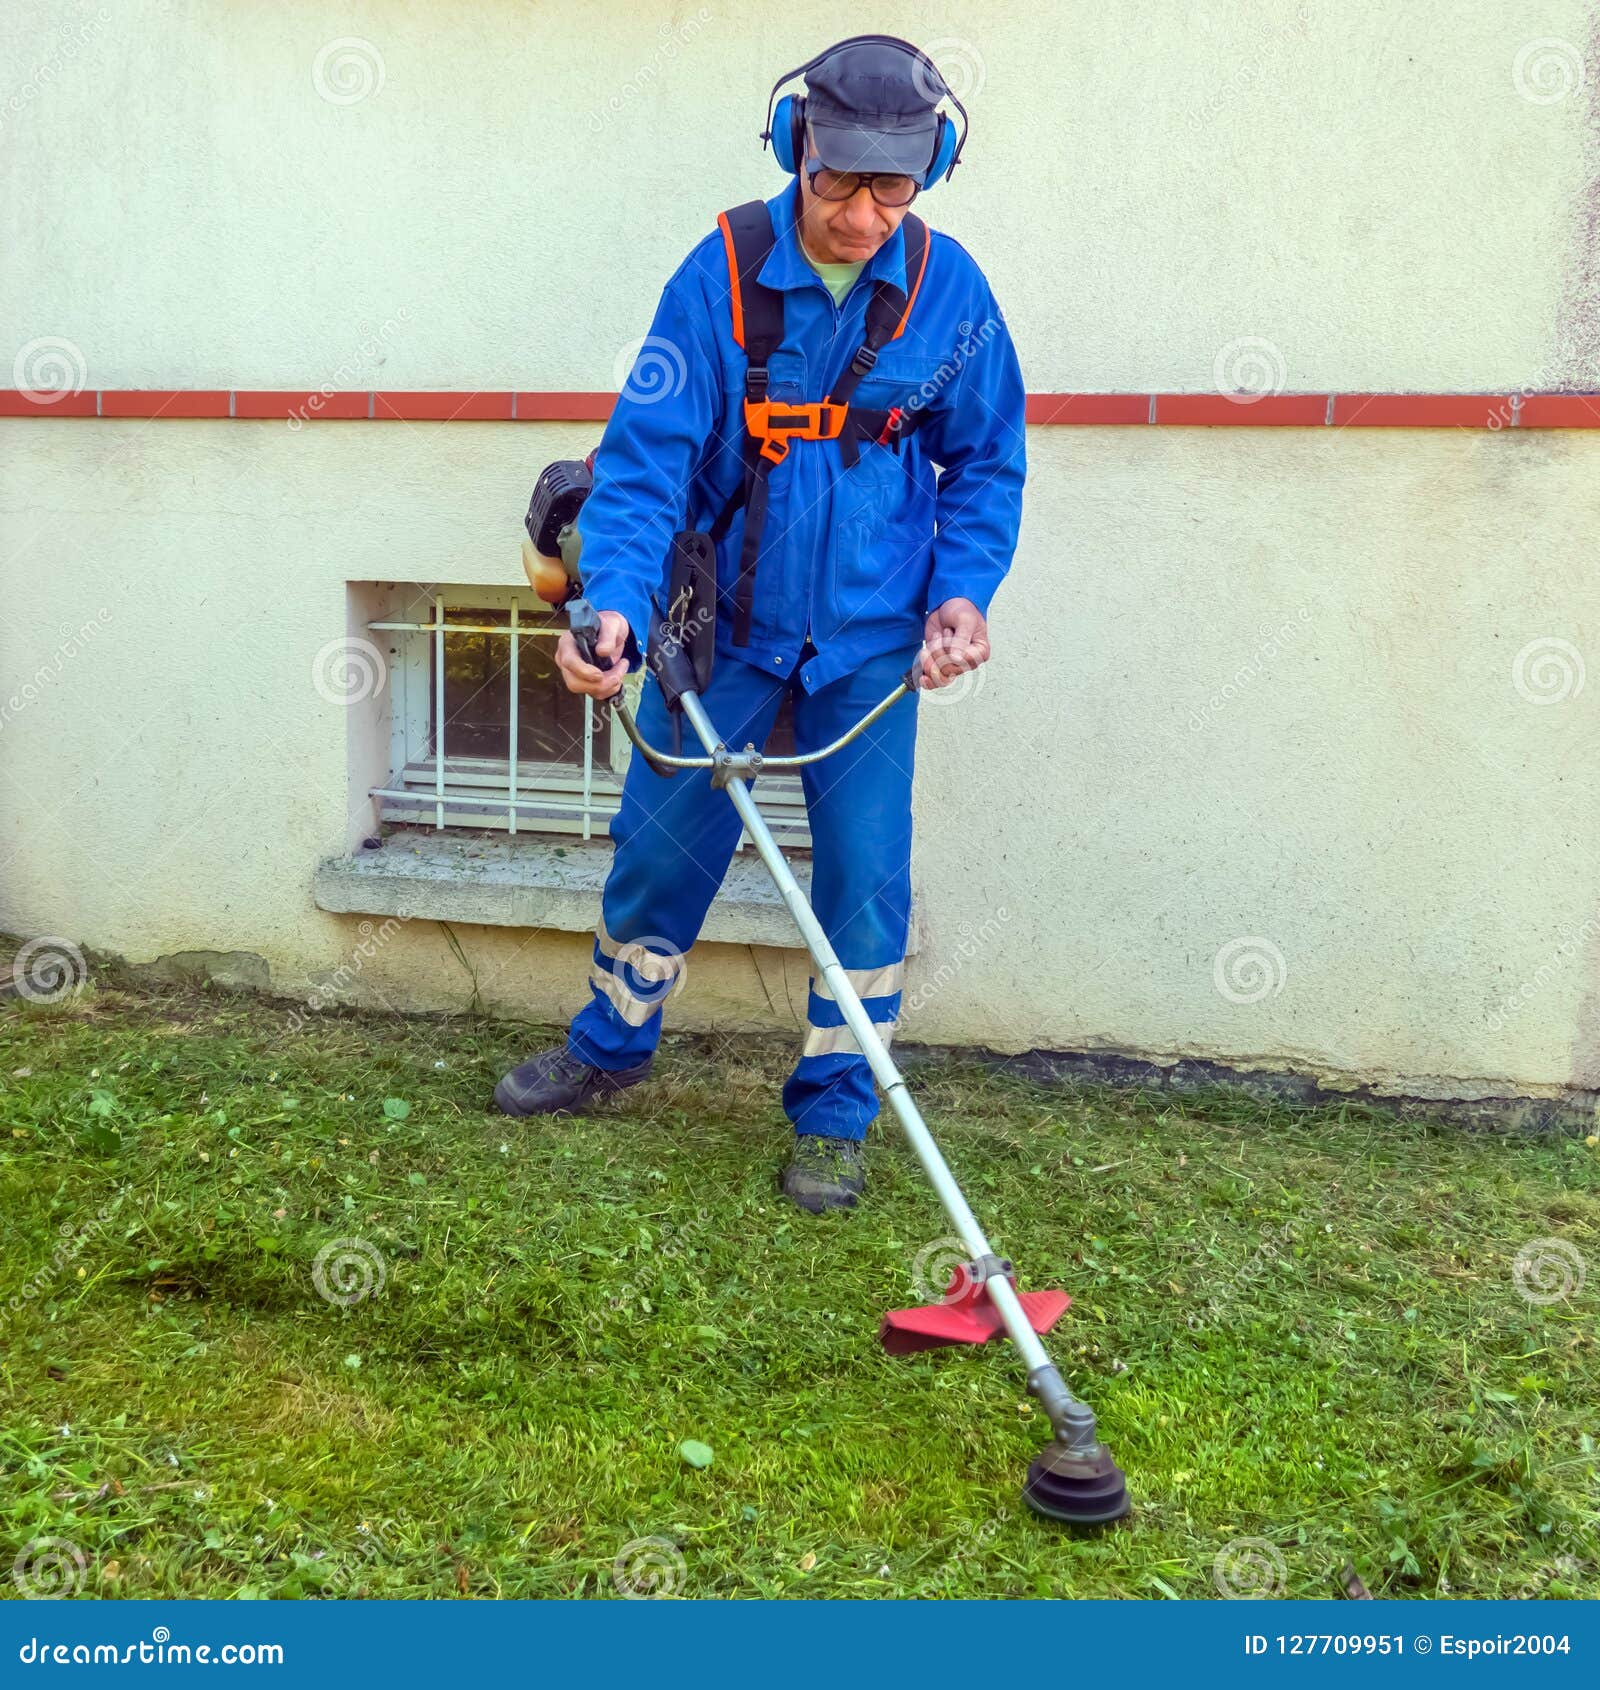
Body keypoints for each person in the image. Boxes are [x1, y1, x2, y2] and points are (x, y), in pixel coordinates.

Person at [494, 35, 1026, 1214]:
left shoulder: (955, 294)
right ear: (797, 149)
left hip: (871, 637)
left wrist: (961, 594)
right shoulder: (720, 273)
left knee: (863, 885)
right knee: (657, 849)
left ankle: (837, 1110)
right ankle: (611, 1042)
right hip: (721, 626)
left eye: (895, 185)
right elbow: (643, 472)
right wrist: (615, 609)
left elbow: (987, 466)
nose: (865, 213)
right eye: (841, 181)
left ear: (930, 165)